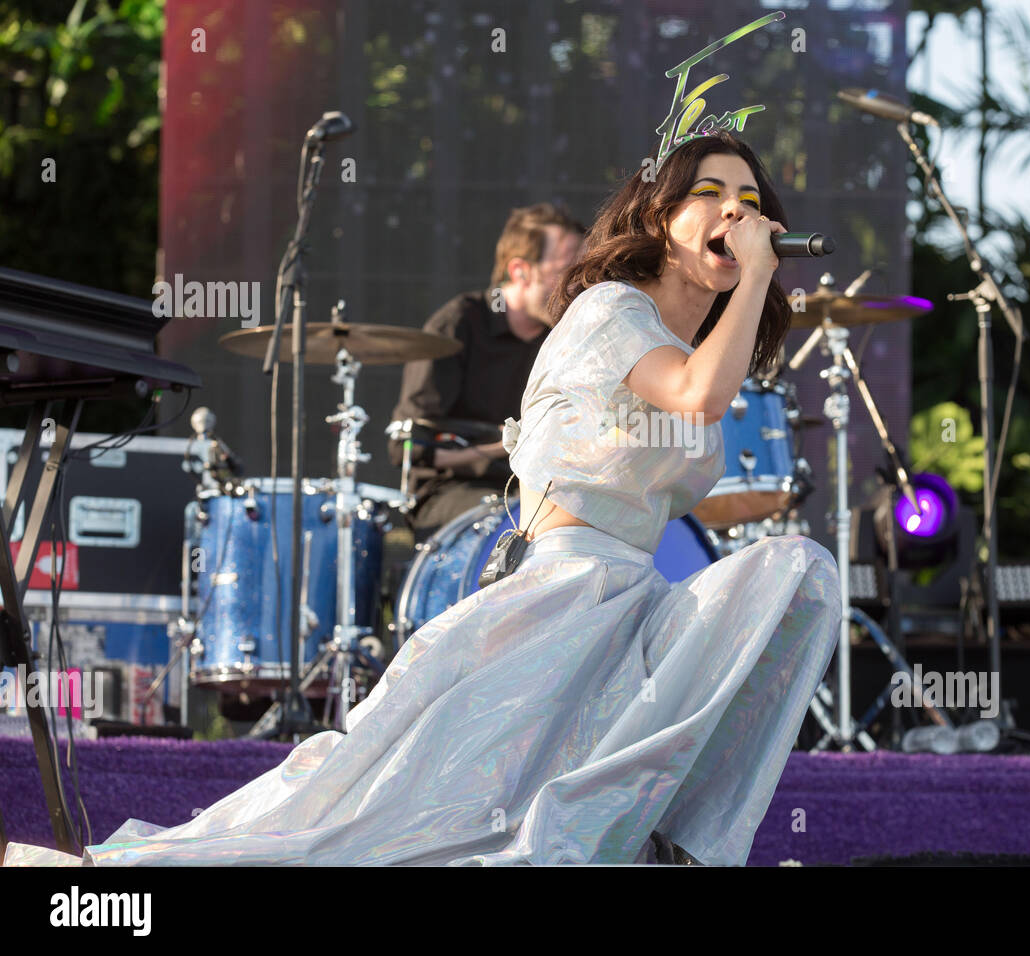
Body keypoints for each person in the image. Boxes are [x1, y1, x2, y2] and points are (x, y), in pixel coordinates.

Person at [2, 132, 840, 867]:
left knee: (801, 571)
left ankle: (680, 843)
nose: (736, 213)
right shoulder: (609, 309)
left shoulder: (697, 344)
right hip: (562, 597)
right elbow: (693, 395)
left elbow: (703, 422)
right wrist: (761, 271)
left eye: (751, 201)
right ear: (659, 219)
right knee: (373, 818)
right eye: (710, 194)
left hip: (637, 605)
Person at [388, 203, 584, 537]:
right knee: (525, 520)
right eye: (566, 270)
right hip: (450, 494)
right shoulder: (459, 323)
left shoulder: (566, 336)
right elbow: (409, 448)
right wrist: (516, 442)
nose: (577, 285)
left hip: (531, 493)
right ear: (520, 270)